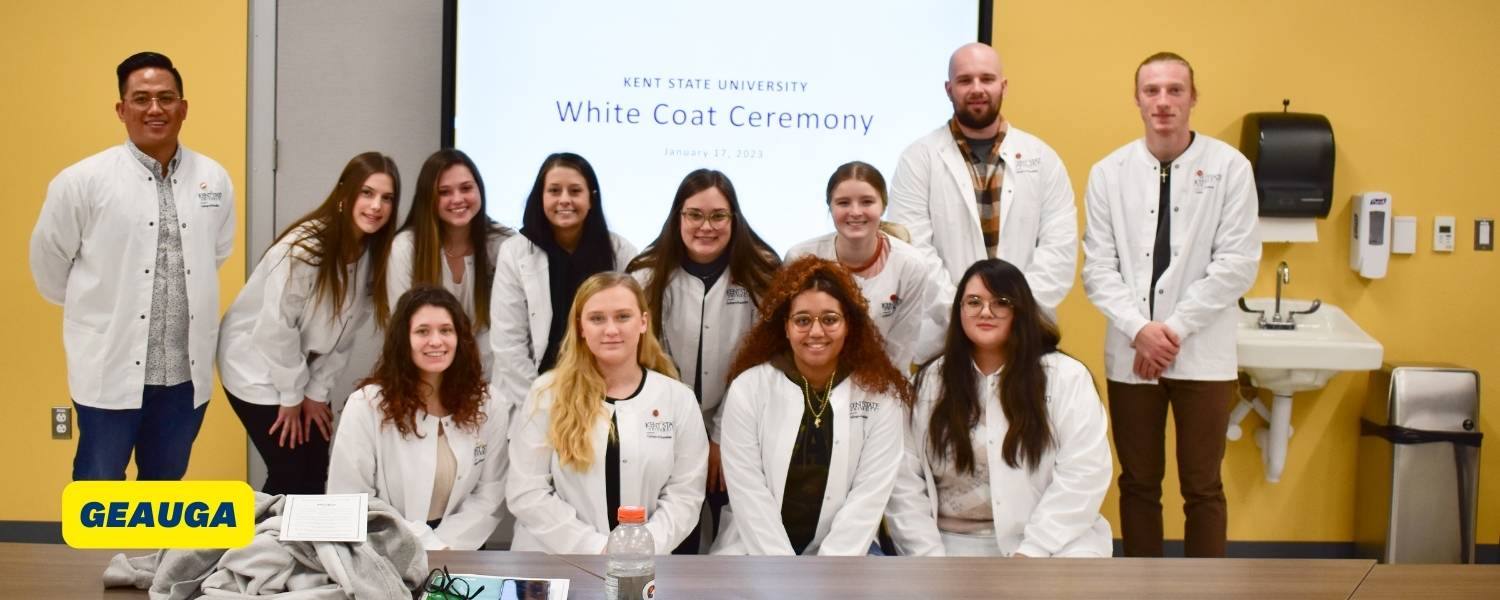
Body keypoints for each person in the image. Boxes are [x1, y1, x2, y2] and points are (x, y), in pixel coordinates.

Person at [1081, 52, 1260, 558]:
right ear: (1136, 98)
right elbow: (1098, 268)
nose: (1163, 101)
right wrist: (1139, 329)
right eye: (1152, 90)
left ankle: (1204, 589)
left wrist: (1169, 331)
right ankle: (1143, 587)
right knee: (1138, 483)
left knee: (1203, 487)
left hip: (1203, 355)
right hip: (1131, 353)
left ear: (1193, 98)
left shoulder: (1230, 168)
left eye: (1175, 90)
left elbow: (1237, 263)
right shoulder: (1108, 173)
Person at [29, 51, 235, 481]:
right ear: (122, 110)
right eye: (141, 99)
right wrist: (101, 309)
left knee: (163, 496)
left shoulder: (213, 178)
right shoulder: (82, 182)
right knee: (99, 494)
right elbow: (48, 267)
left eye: (166, 97)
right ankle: (107, 555)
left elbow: (216, 251)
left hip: (182, 377)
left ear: (184, 107)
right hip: (110, 369)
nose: (155, 108)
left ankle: (150, 554)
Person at [885, 259, 1112, 557]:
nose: (985, 312)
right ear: (959, 311)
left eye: (1001, 302)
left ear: (1021, 311)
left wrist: (1032, 551)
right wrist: (928, 557)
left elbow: (1084, 473)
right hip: (949, 544)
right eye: (973, 302)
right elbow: (904, 482)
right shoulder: (928, 382)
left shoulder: (1066, 378)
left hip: (1052, 542)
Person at [218, 151, 400, 495]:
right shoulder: (303, 249)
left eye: (387, 198)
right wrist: (290, 397)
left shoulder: (372, 255)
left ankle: (304, 549)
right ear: (345, 195)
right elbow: (275, 329)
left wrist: (316, 392)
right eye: (367, 193)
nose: (376, 206)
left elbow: (344, 334)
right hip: (254, 364)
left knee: (315, 471)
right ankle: (259, 548)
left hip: (300, 366)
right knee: (289, 469)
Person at [626, 168, 781, 552]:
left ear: (734, 219)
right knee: (672, 525)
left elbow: (757, 361)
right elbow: (646, 360)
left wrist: (719, 436)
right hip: (663, 419)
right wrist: (692, 432)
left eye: (718, 216)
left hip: (740, 422)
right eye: (694, 214)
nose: (705, 226)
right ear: (678, 216)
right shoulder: (645, 273)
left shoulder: (762, 273)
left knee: (734, 532)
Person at [712, 256, 910, 556]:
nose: (816, 332)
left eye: (830, 319)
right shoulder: (749, 389)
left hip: (848, 553)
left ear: (849, 326)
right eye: (802, 320)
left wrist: (827, 570)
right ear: (786, 327)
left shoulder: (880, 396)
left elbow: (869, 496)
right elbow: (749, 494)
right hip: (753, 549)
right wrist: (784, 573)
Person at [507, 272, 708, 554]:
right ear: (580, 327)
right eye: (597, 318)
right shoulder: (547, 394)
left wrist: (641, 547)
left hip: (645, 561)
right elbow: (526, 492)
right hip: (556, 560)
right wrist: (597, 548)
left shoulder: (678, 399)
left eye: (623, 316)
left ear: (643, 322)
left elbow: (685, 495)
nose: (610, 329)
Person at [887, 42, 1077, 318]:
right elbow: (915, 254)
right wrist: (965, 312)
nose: (977, 89)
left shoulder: (1043, 158)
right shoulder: (918, 159)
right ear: (949, 89)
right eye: (965, 80)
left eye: (987, 79)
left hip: (1026, 328)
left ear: (1004, 86)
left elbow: (1059, 250)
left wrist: (1013, 310)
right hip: (945, 332)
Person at [327, 286, 507, 550]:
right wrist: (421, 544)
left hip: (459, 549)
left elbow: (490, 493)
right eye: (422, 331)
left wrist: (445, 546)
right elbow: (351, 498)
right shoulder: (367, 404)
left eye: (446, 330)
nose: (436, 341)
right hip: (384, 548)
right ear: (404, 339)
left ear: (460, 338)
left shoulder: (488, 403)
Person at [490, 153, 638, 414]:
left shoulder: (619, 251)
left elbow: (634, 330)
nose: (565, 200)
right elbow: (508, 342)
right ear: (541, 198)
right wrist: (542, 407)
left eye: (575, 191)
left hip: (602, 396)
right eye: (554, 191)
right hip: (532, 396)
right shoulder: (515, 252)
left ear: (591, 198)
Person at [786, 161, 942, 369]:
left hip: (879, 383)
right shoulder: (800, 259)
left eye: (867, 202)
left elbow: (900, 350)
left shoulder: (910, 265)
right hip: (810, 380)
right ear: (830, 207)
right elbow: (790, 339)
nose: (855, 212)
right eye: (843, 203)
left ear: (884, 206)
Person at [387, 149, 514, 379]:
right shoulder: (405, 248)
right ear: (428, 198)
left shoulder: (505, 245)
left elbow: (507, 330)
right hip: (424, 376)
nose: (458, 199)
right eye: (444, 192)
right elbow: (404, 329)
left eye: (466, 188)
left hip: (488, 377)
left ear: (479, 189)